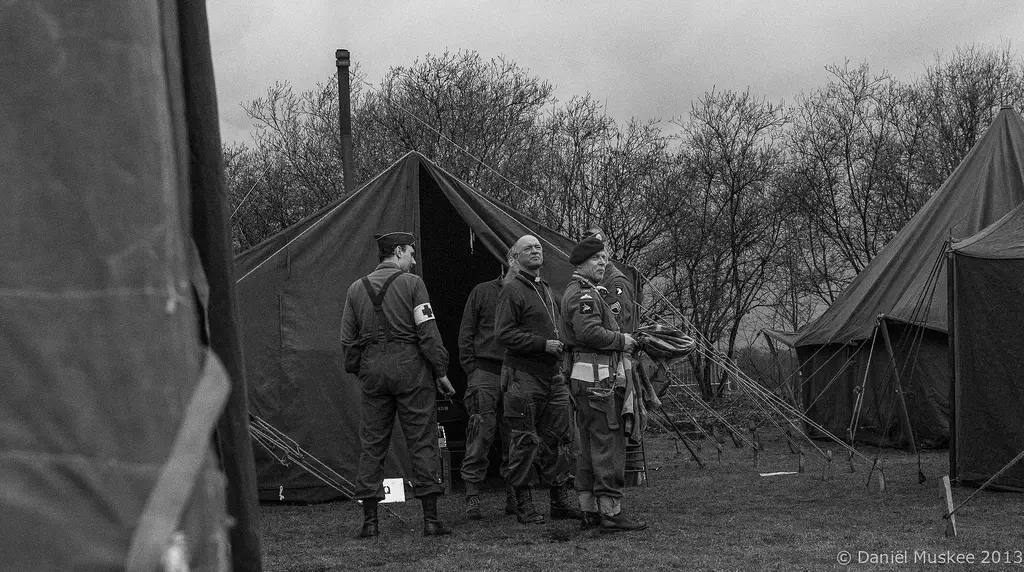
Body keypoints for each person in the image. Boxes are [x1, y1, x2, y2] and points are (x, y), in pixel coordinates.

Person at [340, 231, 456, 538]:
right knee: (422, 441)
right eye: (411, 253)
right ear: (398, 252)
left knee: (372, 445)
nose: (414, 260)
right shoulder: (413, 284)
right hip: (411, 369)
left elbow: (347, 339)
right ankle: (430, 521)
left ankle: (370, 523)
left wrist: (361, 369)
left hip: (372, 370)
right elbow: (427, 330)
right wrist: (440, 371)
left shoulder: (355, 289)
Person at [560, 235, 647, 533]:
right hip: (599, 383)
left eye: (605, 258)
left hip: (585, 384)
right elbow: (589, 333)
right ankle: (611, 512)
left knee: (586, 446)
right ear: (583, 262)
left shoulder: (581, 291)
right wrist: (623, 339)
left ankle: (589, 511)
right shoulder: (584, 295)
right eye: (598, 258)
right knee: (608, 443)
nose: (604, 263)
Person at [494, 234, 580, 524]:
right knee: (524, 440)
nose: (535, 251)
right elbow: (503, 334)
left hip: (552, 375)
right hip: (524, 374)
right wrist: (541, 344)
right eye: (527, 248)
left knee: (557, 437)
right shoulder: (512, 290)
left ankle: (559, 500)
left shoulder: (544, 287)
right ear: (514, 258)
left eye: (538, 247)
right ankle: (523, 503)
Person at [457, 247, 519, 520]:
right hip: (485, 371)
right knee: (480, 434)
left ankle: (514, 495)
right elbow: (466, 333)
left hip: (517, 373)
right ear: (509, 263)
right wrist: (472, 369)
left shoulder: (530, 294)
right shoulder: (482, 292)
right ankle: (472, 497)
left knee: (516, 437)